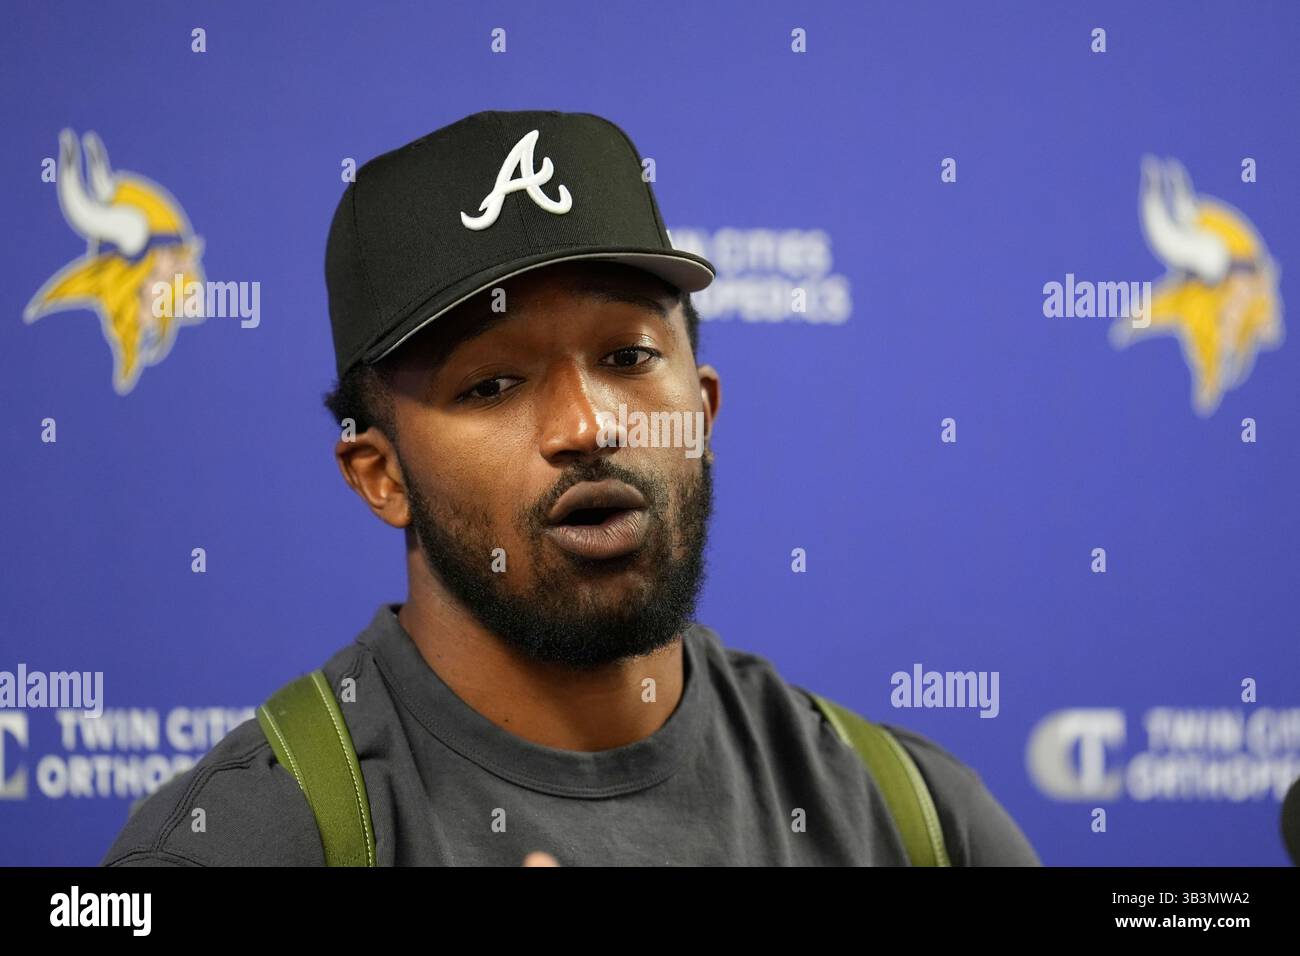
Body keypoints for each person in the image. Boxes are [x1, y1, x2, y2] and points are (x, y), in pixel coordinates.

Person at [102, 109, 1040, 866]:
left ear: (701, 413)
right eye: (492, 385)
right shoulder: (241, 843)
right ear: (381, 475)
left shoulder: (913, 818)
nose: (589, 427)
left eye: (629, 356)